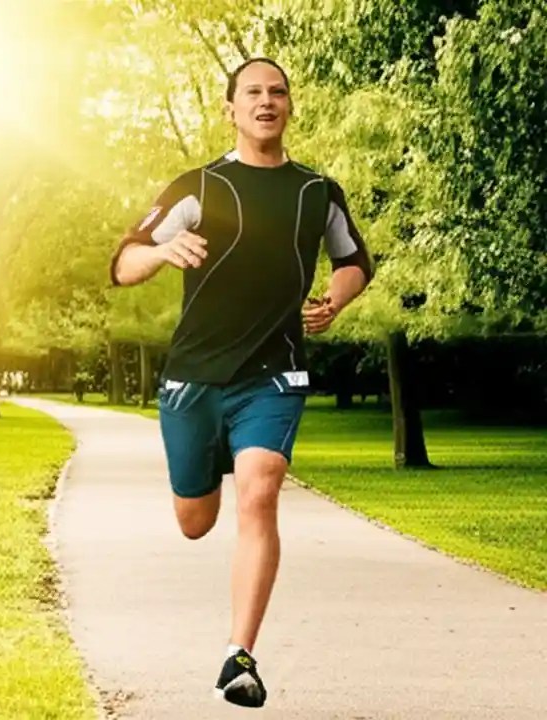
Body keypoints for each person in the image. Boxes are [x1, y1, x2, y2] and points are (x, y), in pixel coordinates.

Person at [108, 57, 374, 708]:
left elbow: (354, 260)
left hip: (273, 370)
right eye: (252, 92)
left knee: (261, 490)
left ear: (290, 106)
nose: (266, 100)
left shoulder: (317, 192)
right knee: (196, 522)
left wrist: (337, 299)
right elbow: (123, 262)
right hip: (194, 376)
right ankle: (204, 472)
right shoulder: (198, 186)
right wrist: (163, 252)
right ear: (230, 108)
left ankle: (239, 656)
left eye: (277, 91)